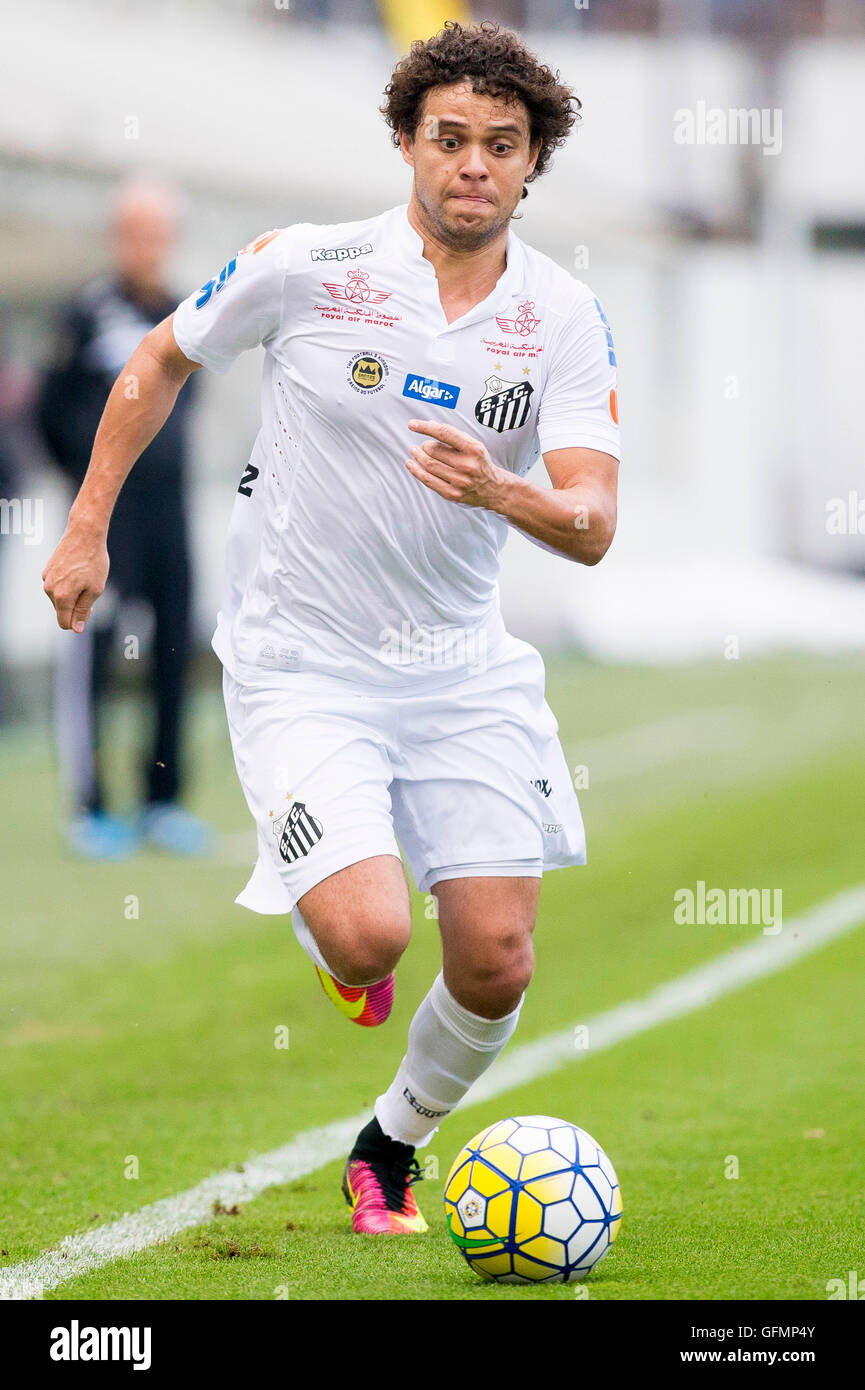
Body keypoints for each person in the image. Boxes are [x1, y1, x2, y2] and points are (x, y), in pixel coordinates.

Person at [42, 22, 619, 1234]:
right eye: (449, 138)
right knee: (368, 941)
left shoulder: (563, 316)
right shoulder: (308, 263)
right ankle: (334, 930)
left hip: (464, 671)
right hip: (302, 663)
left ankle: (388, 1146)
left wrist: (501, 491)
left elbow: (591, 521)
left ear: (530, 166)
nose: (472, 164)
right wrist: (87, 525)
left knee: (496, 962)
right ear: (408, 142)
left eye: (500, 147)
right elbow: (157, 361)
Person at [37, 177, 210, 859]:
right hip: (106, 517)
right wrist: (83, 498)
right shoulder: (86, 314)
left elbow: (186, 401)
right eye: (137, 231)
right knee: (94, 650)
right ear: (120, 236)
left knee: (172, 651)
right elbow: (50, 412)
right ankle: (91, 806)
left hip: (168, 512)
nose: (148, 245)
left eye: (159, 233)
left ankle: (162, 803)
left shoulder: (184, 311)